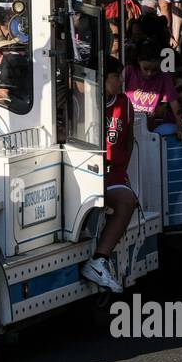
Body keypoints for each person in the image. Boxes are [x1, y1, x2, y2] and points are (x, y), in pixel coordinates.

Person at [80, 58, 132, 293]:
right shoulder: (83, 102)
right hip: (87, 170)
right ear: (102, 78)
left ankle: (99, 260)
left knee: (127, 201)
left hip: (114, 173)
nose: (121, 81)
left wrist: (121, 168)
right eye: (116, 77)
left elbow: (129, 140)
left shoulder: (125, 103)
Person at [123, 39, 182, 139]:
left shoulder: (164, 76)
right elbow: (117, 92)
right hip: (126, 124)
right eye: (146, 69)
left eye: (154, 70)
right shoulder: (129, 71)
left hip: (148, 129)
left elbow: (174, 102)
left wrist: (181, 125)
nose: (149, 73)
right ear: (138, 61)